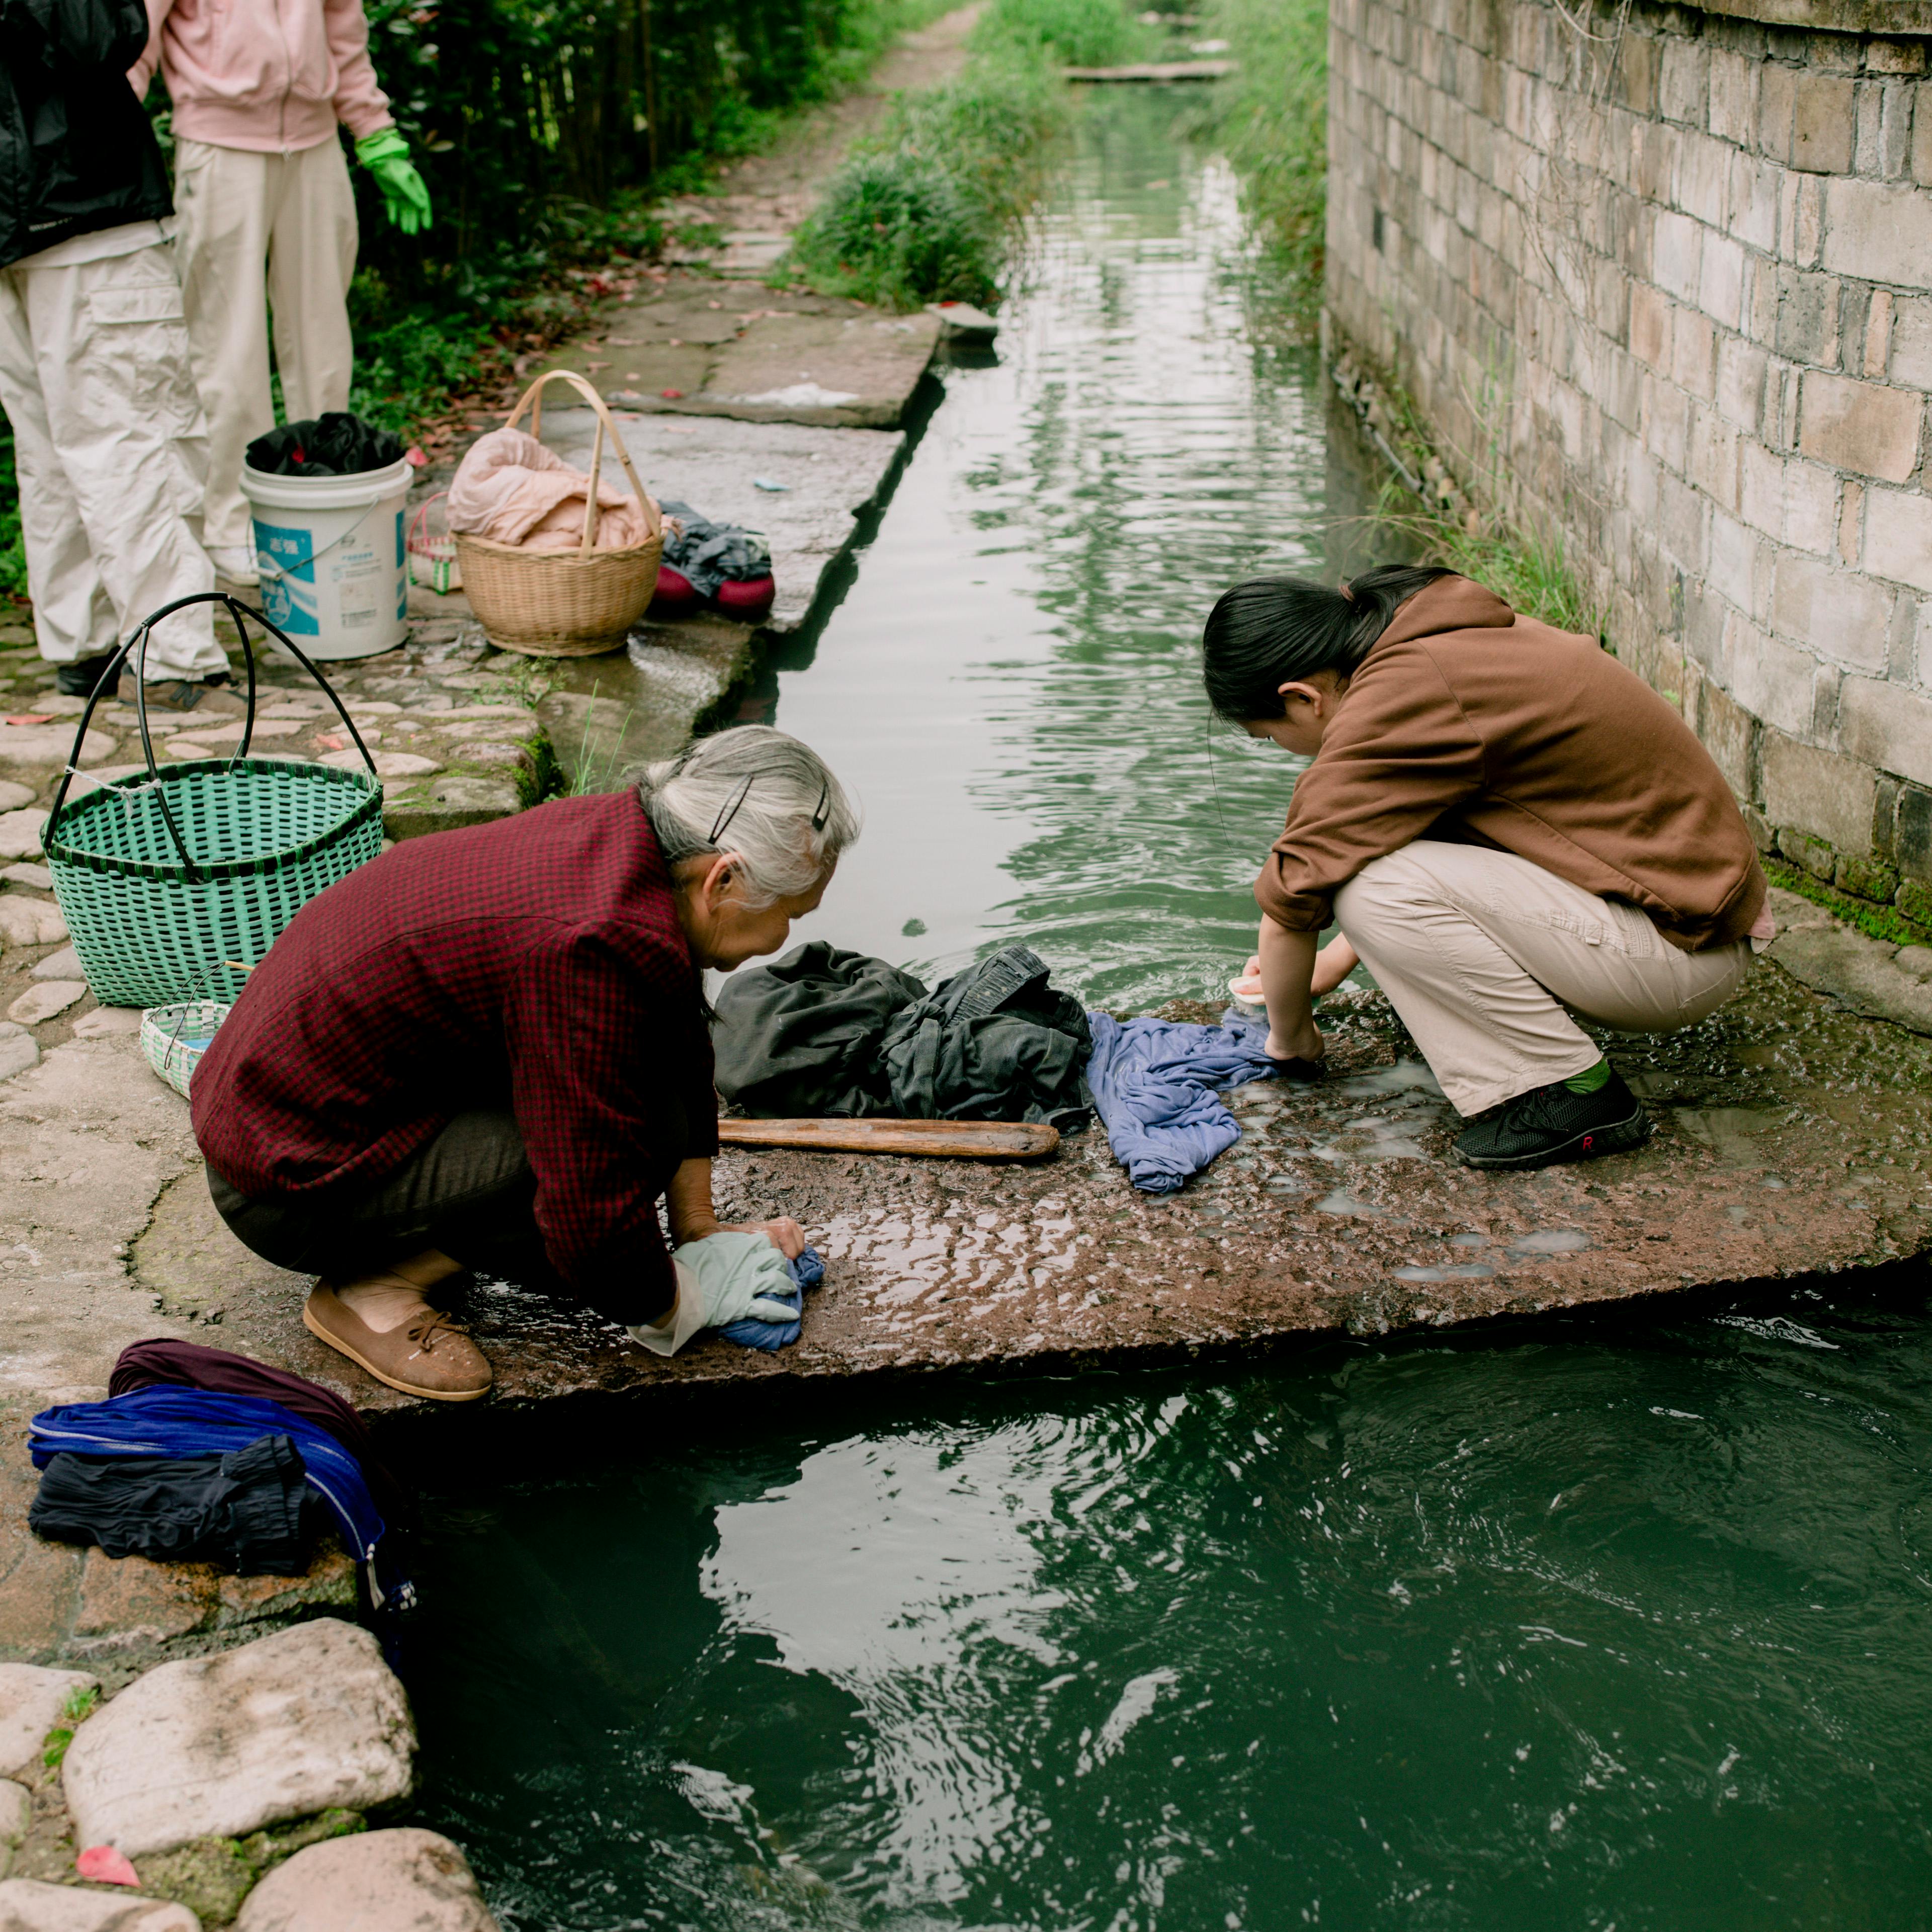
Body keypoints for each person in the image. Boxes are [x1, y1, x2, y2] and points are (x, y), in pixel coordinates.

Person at [190, 726, 859, 1400]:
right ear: (722, 879)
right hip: (288, 1181)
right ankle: (374, 1284)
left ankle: (421, 1244)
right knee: (627, 1152)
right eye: (790, 916)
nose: (782, 939)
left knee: (644, 1103)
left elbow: (679, 1035)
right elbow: (587, 1217)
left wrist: (699, 1231)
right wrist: (688, 1301)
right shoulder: (590, 939)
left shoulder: (633, 843)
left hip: (350, 1101)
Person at [1206, 566, 1769, 1171]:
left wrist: (1292, 1041)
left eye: (1268, 736)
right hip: (1691, 904)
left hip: (1681, 951)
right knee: (1372, 870)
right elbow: (1412, 828)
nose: (1278, 747)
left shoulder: (1399, 701)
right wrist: (1331, 965)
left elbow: (1291, 899)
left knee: (1371, 886)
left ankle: (1569, 1094)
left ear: (1302, 697)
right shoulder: (1415, 628)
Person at [131, 0, 433, 586]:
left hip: (316, 148)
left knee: (323, 342)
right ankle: (235, 522)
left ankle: (324, 502)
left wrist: (377, 135)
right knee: (228, 352)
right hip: (220, 151)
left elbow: (342, 30)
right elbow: (136, 42)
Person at [0, 0, 231, 703]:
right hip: (81, 198)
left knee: (54, 441)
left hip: (35, 207)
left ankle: (87, 640)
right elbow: (106, 34)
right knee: (134, 435)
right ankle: (173, 656)